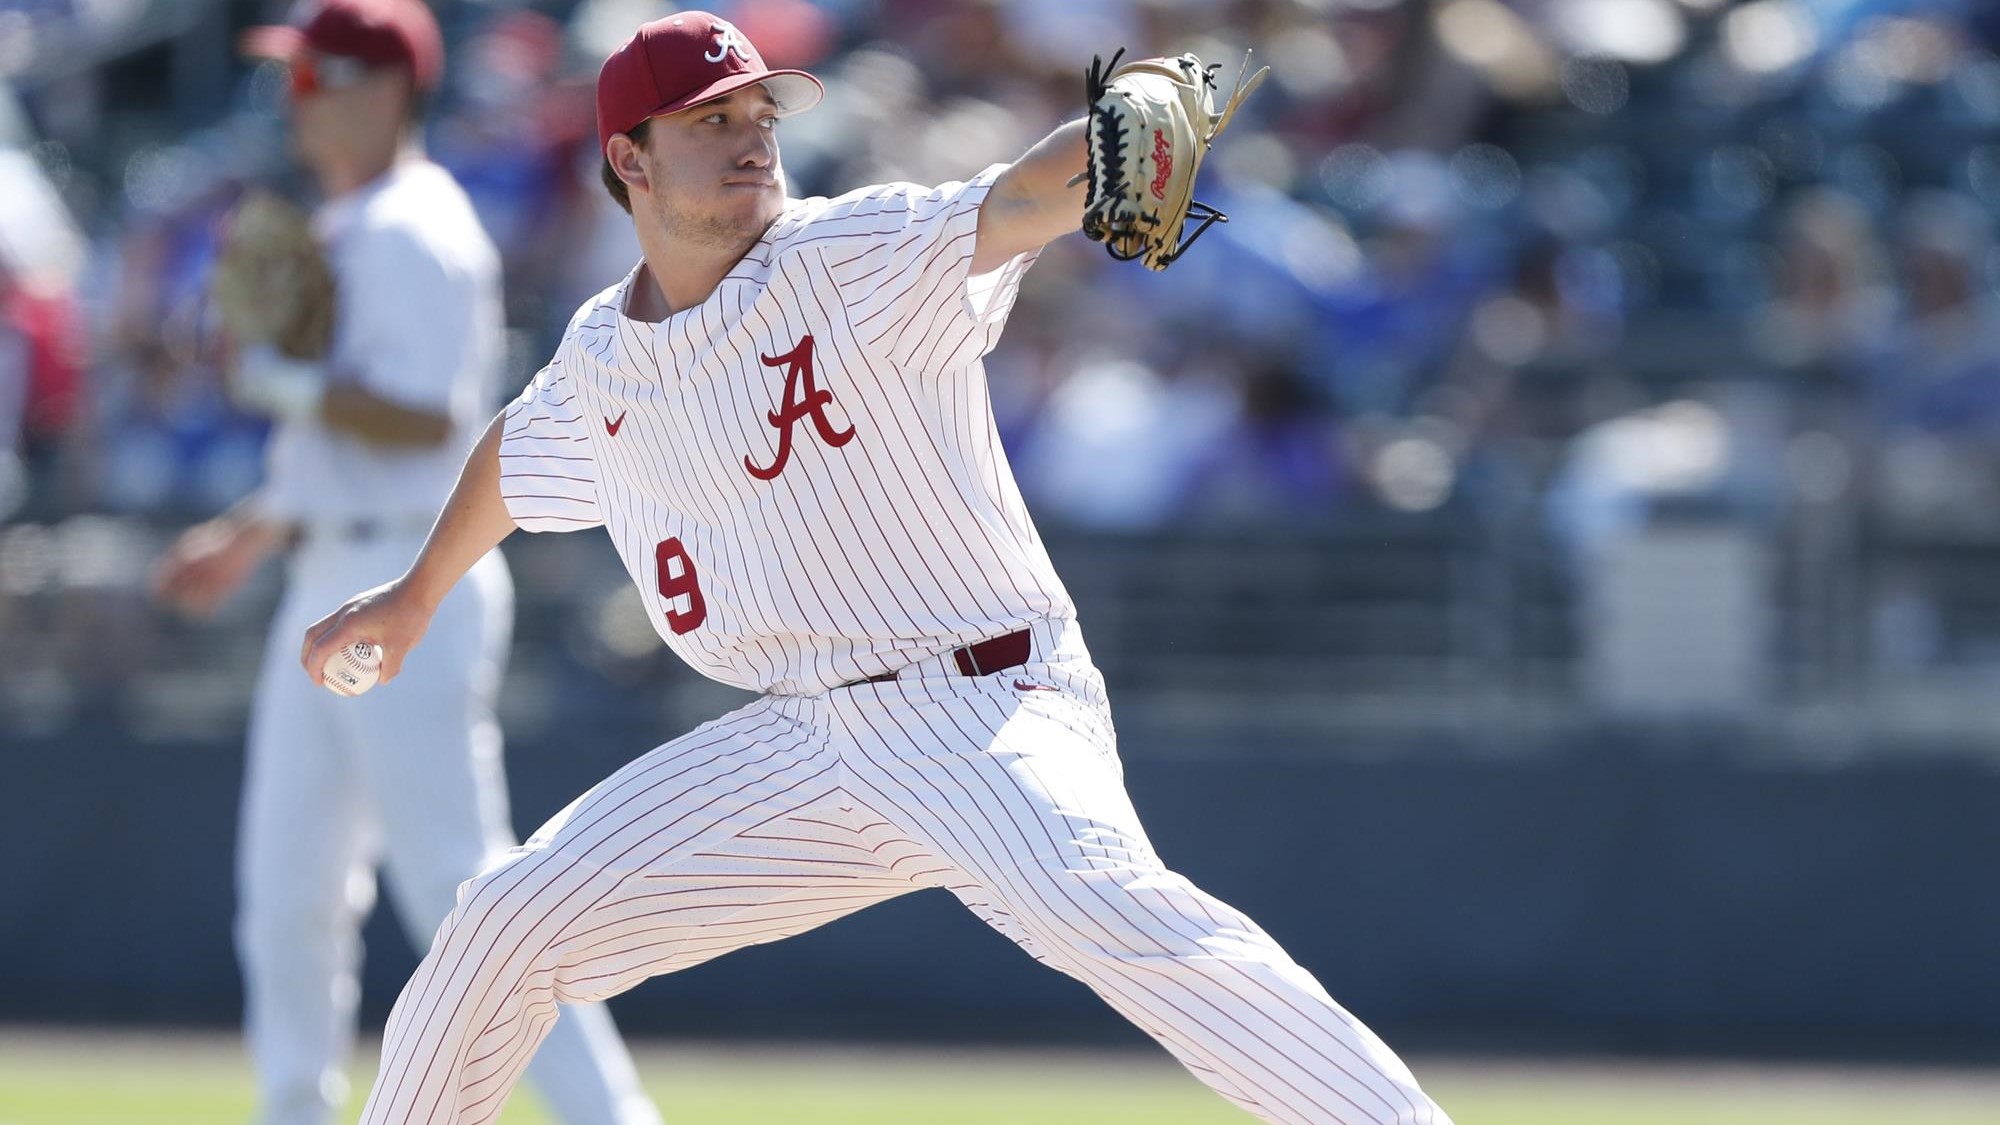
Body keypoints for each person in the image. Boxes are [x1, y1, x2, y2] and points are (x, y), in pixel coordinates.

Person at [303, 12, 1454, 1125]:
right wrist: (414, 596)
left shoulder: (848, 255)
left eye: (760, 114)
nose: (752, 138)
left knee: (1109, 913)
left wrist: (1124, 124)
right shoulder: (604, 354)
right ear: (629, 161)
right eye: (710, 120)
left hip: (982, 704)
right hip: (799, 739)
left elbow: (1014, 200)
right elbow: (517, 453)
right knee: (503, 924)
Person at [148, 4, 660, 1124]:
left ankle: (610, 1114)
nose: (295, 103)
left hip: (408, 578)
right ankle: (293, 1108)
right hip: (330, 568)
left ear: (385, 90)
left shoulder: (415, 227)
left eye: (315, 79)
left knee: (462, 884)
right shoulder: (354, 222)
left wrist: (277, 378)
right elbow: (337, 456)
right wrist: (248, 534)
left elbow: (425, 422)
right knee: (287, 891)